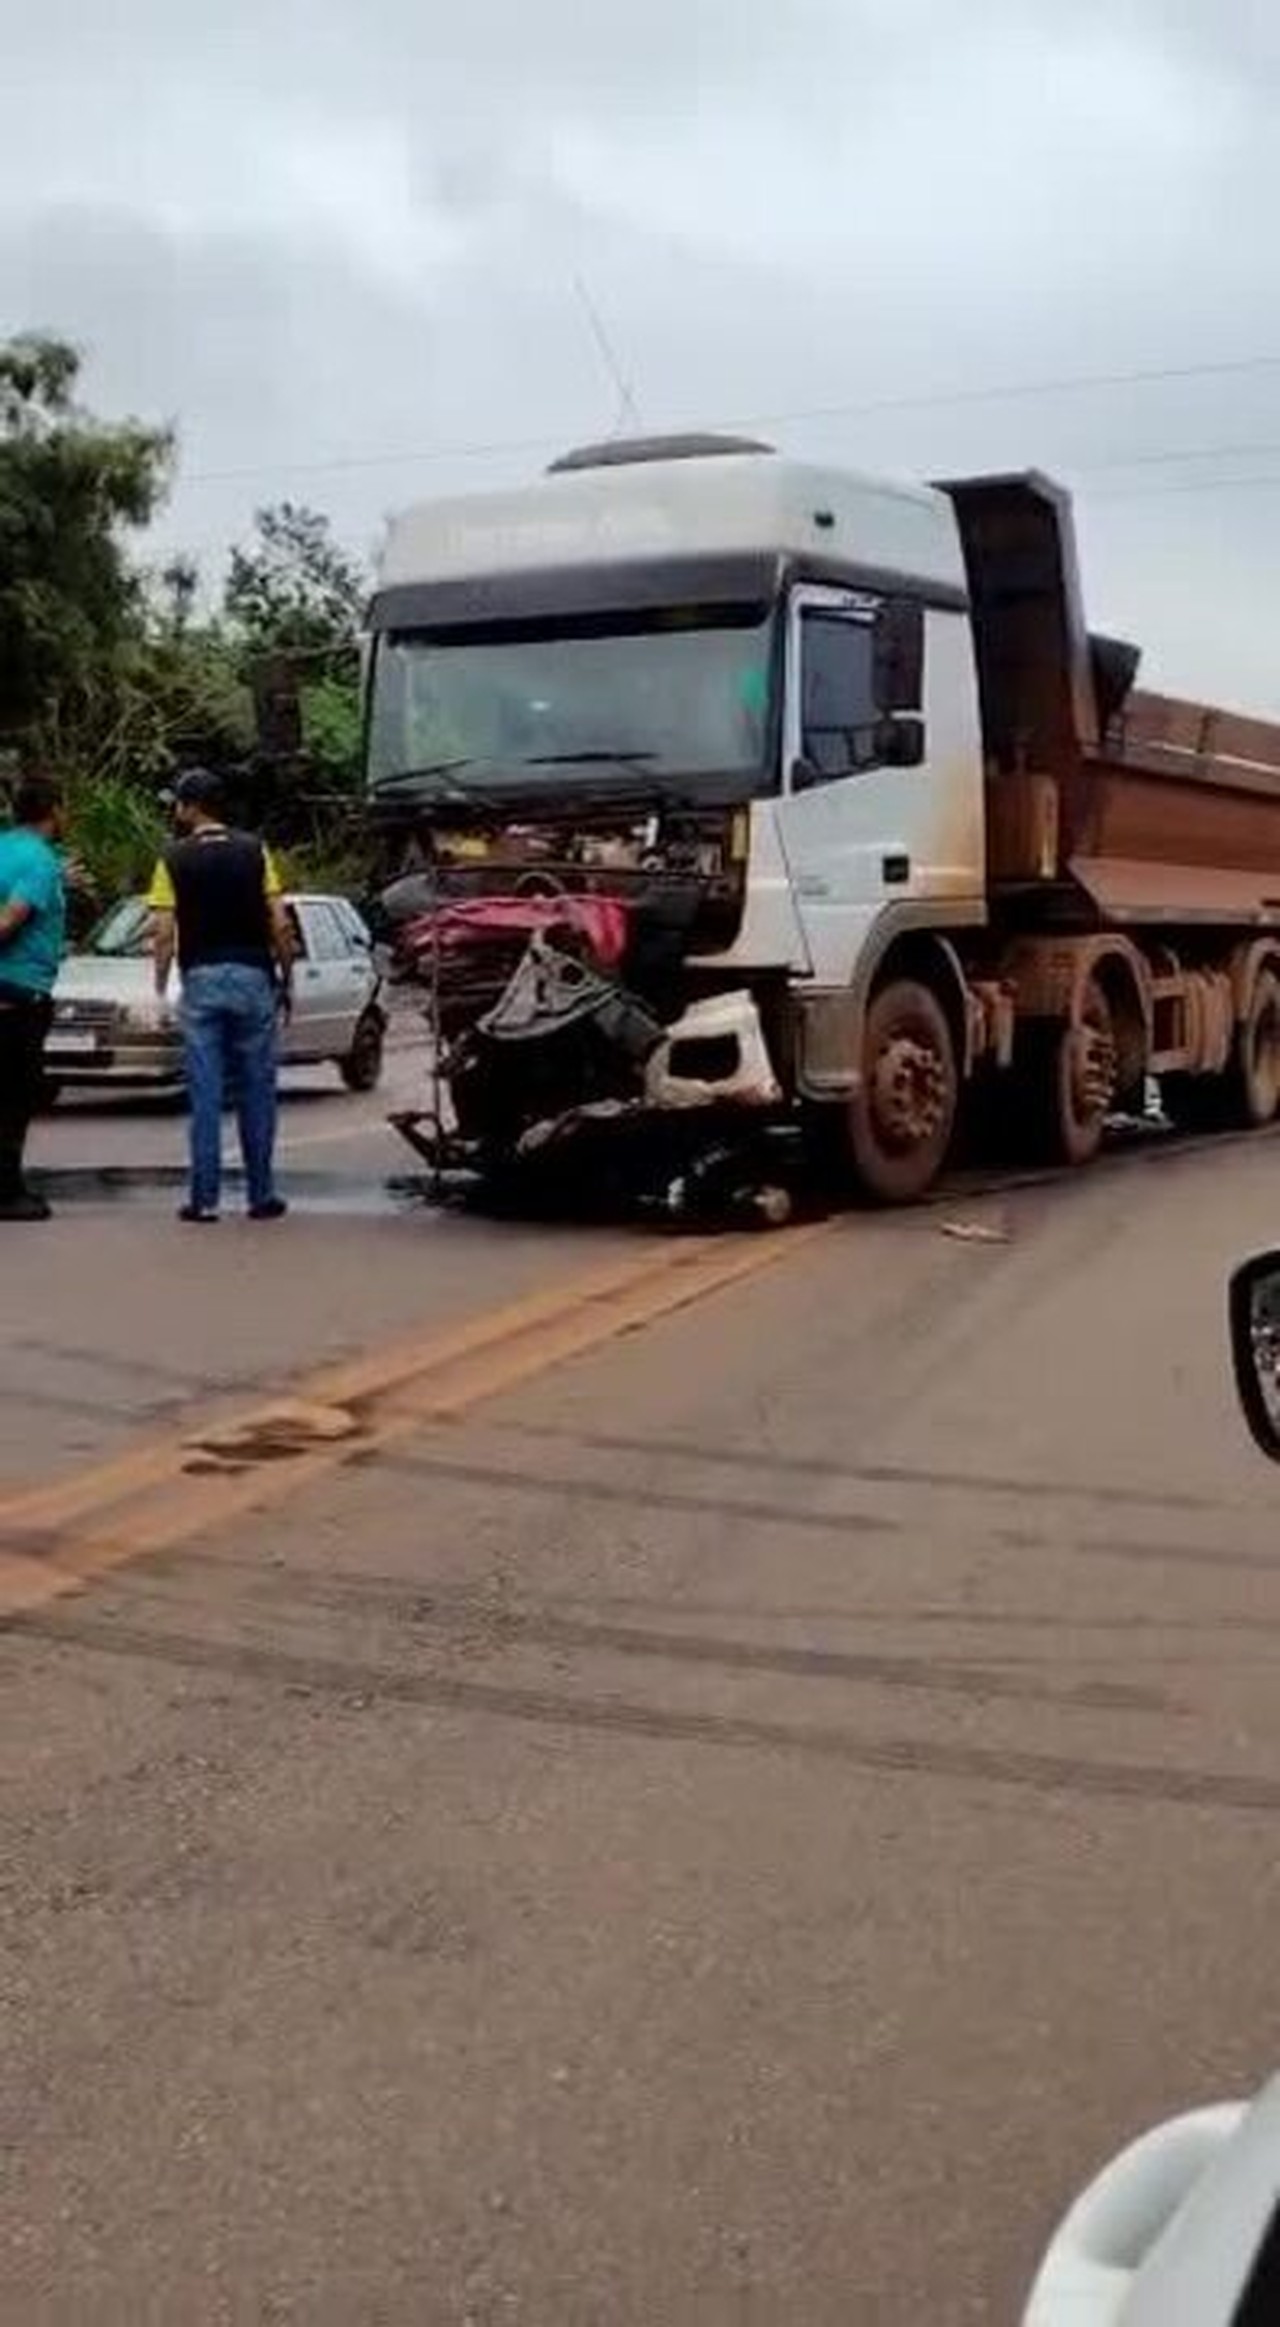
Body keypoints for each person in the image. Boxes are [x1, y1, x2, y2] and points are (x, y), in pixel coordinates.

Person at [148, 768, 294, 1224]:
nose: (176, 810)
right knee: (257, 1090)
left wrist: (159, 984)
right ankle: (261, 1195)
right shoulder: (255, 851)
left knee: (206, 1092)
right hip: (253, 975)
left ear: (190, 807)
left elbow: (163, 932)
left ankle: (203, 1199)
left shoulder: (172, 858)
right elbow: (280, 921)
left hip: (202, 978)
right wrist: (285, 973)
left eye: (178, 803)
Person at [0, 774, 67, 1222]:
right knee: (14, 1094)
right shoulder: (40, 860)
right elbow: (11, 919)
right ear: (55, 812)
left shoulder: (4, 848)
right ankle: (7, 1191)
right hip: (17, 990)